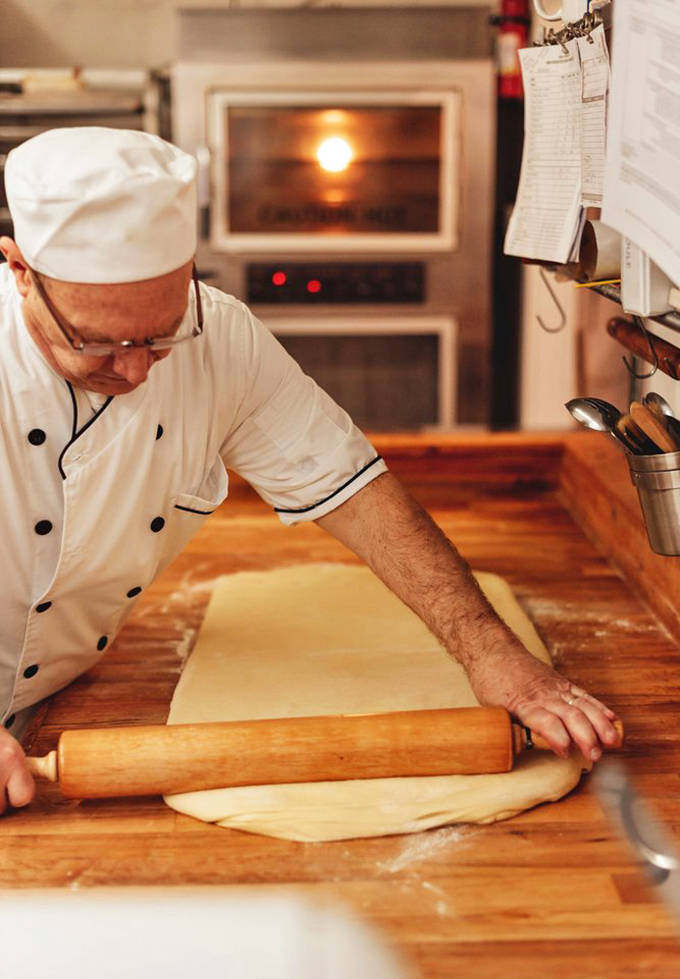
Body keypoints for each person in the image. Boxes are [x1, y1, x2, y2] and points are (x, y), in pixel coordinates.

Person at [0, 127, 618, 815]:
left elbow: (354, 492)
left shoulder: (220, 338)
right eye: (100, 344)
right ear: (21, 269)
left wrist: (491, 653)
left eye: (160, 333)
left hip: (62, 697)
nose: (139, 368)